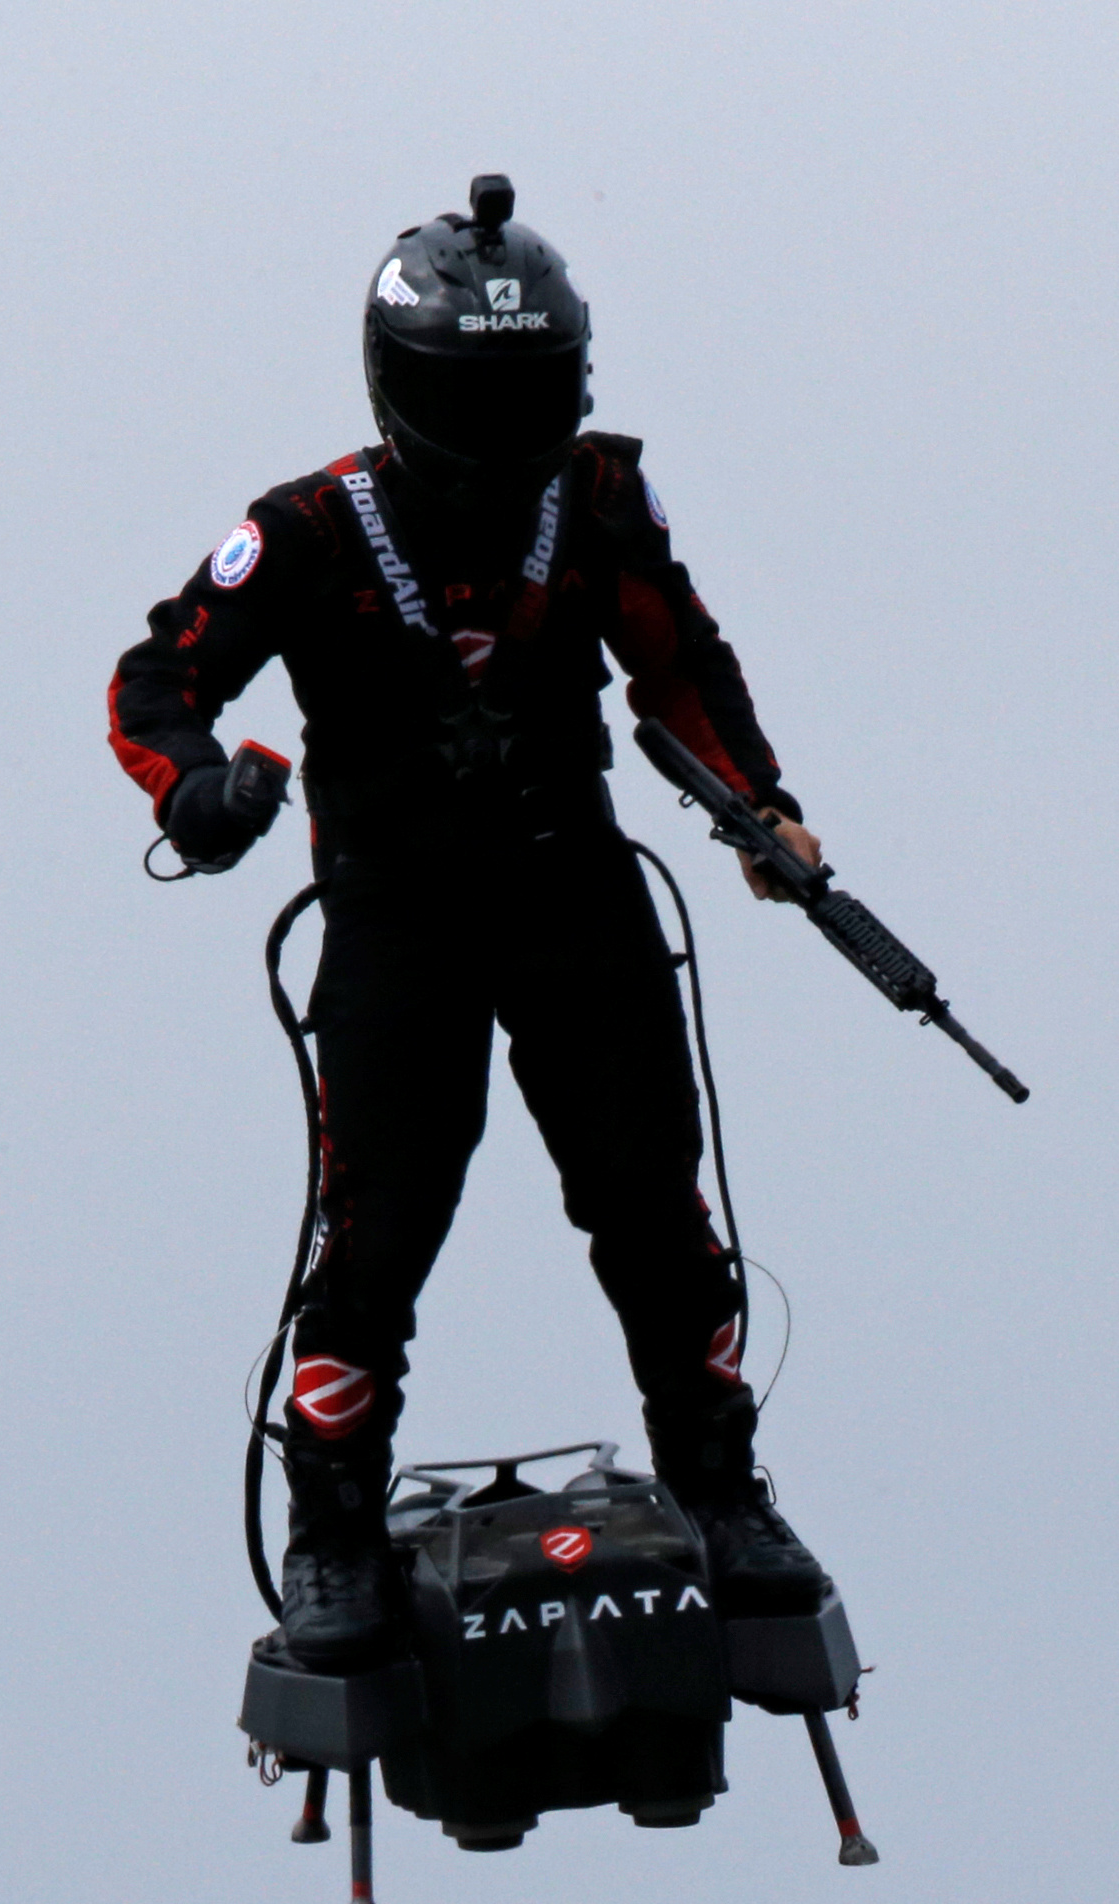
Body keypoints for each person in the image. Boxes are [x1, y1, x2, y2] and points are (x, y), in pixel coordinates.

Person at [107, 175, 834, 1672]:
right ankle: (328, 1529)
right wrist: (193, 792)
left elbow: (679, 664)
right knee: (376, 1230)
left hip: (576, 888)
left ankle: (723, 1485)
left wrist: (761, 811)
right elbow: (154, 684)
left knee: (654, 1204)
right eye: (469, 397)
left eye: (530, 396)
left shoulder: (602, 498)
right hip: (396, 917)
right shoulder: (304, 529)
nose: (504, 435)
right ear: (399, 386)